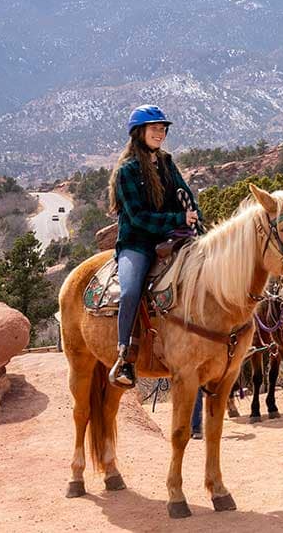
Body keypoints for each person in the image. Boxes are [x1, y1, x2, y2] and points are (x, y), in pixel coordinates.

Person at [106, 105, 201, 388]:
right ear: (139, 133)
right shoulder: (127, 171)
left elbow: (186, 197)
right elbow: (138, 218)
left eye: (163, 128)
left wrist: (194, 217)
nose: (160, 133)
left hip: (172, 239)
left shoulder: (166, 163)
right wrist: (177, 218)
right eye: (154, 128)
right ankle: (125, 355)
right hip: (138, 243)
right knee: (131, 289)